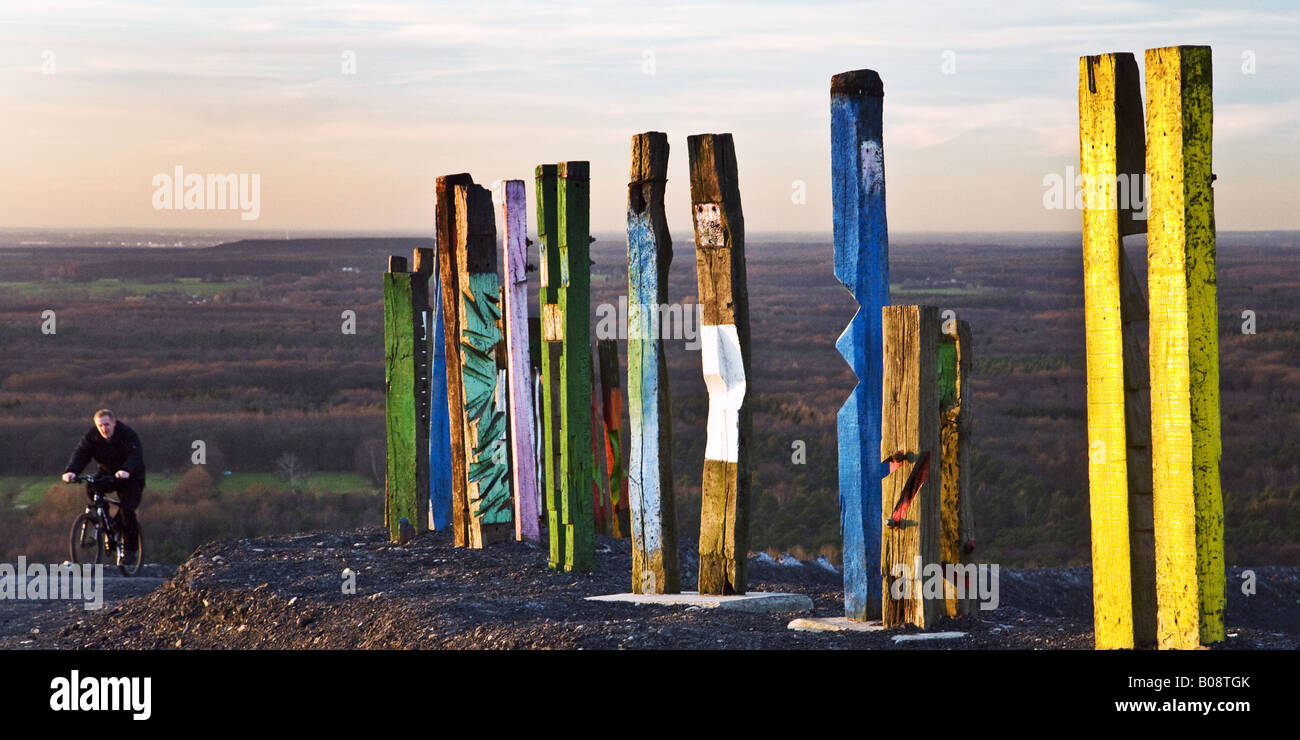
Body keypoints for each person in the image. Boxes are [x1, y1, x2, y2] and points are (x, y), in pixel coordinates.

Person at [61, 409, 145, 560]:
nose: (104, 429)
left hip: (131, 477)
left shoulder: (127, 434)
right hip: (107, 473)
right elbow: (81, 453)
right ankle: (106, 522)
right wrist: (72, 471)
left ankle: (131, 550)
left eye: (107, 424)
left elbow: (135, 455)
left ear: (114, 423)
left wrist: (126, 470)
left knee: (127, 510)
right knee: (91, 487)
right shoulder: (92, 436)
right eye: (100, 426)